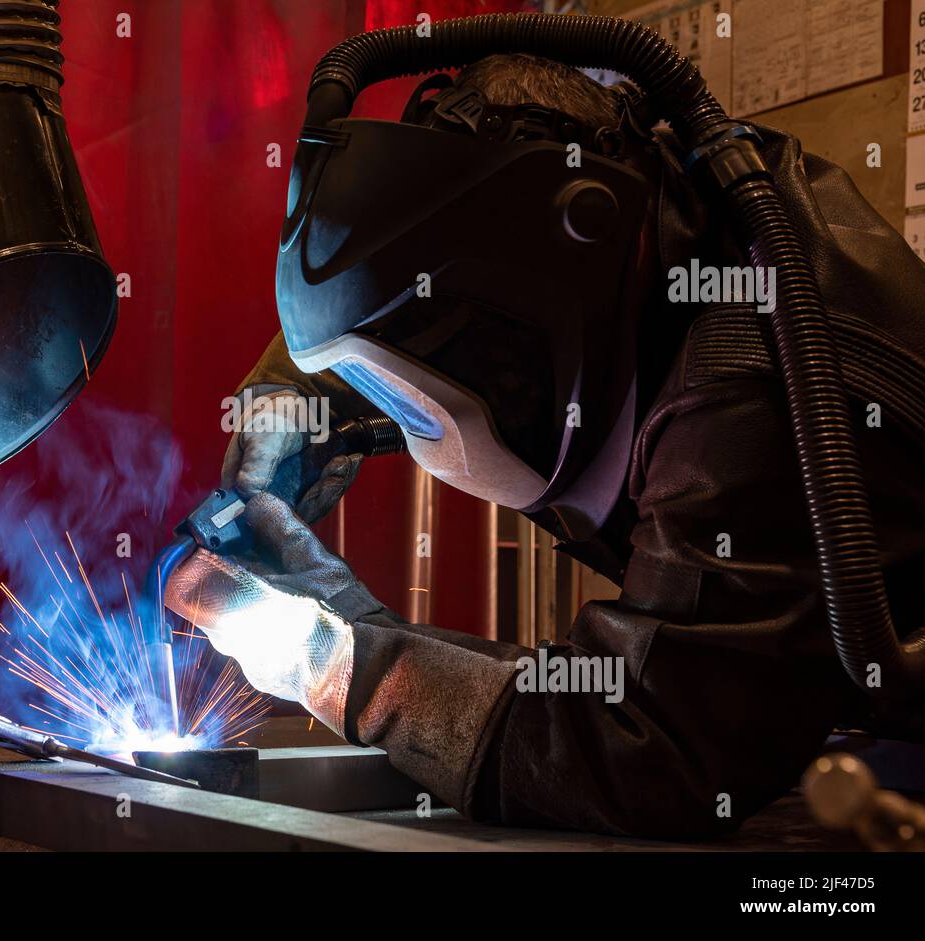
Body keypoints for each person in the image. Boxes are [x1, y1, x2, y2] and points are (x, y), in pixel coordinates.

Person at [165, 53, 925, 838]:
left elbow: (649, 745)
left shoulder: (757, 395)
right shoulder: (660, 235)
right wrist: (299, 391)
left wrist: (330, 655)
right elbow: (427, 286)